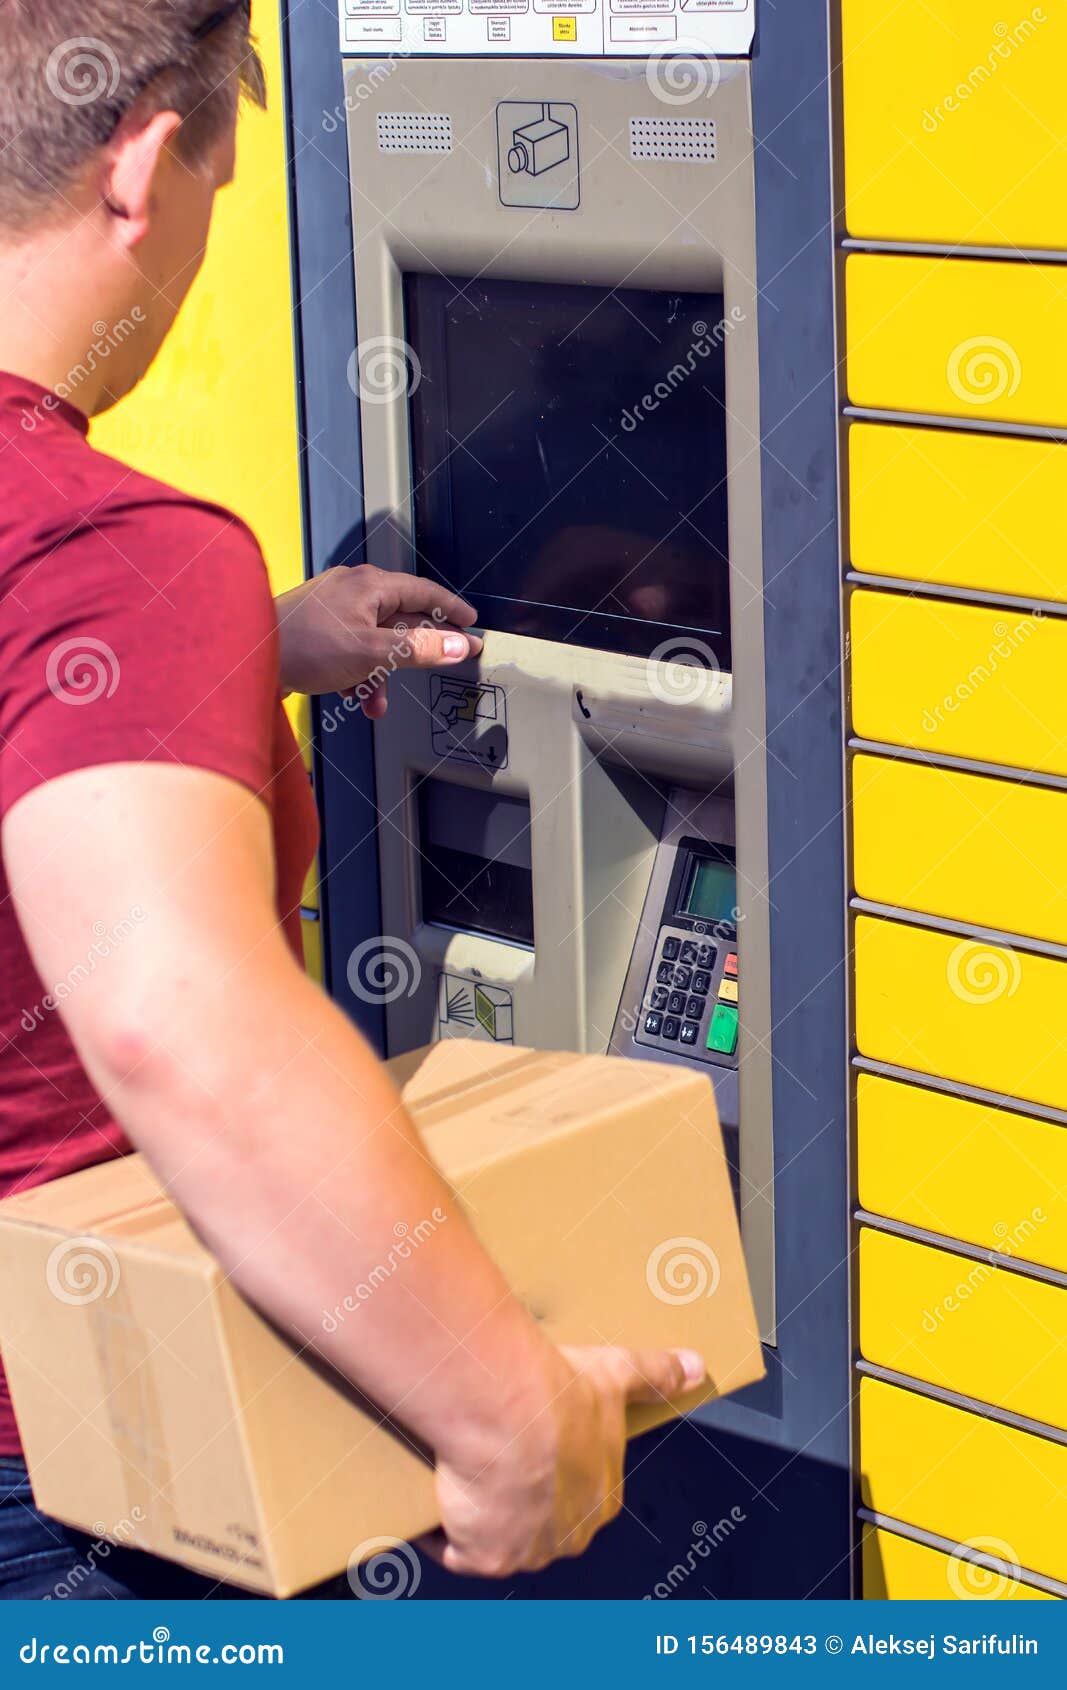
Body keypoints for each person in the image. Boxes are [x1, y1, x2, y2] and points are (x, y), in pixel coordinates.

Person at [0, 2, 704, 1599]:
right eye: (220, 188)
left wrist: (233, 655)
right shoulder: (111, 557)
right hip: (74, 1475)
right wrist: (512, 1411)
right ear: (144, 168)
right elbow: (182, 1024)